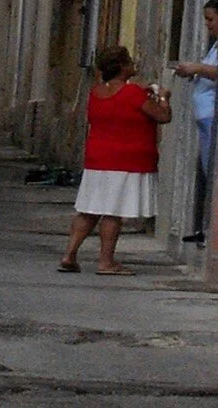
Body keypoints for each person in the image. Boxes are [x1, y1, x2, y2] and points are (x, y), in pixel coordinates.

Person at [60, 44, 171, 275]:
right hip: (126, 160)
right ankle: (106, 261)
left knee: (89, 210)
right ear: (121, 67)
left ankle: (70, 254)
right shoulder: (133, 93)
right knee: (112, 212)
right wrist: (163, 97)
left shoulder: (96, 93)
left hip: (97, 158)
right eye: (129, 61)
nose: (133, 64)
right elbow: (163, 116)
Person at [172, 0, 218, 243]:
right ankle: (204, 227)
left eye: (210, 19)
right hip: (204, 117)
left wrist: (196, 68)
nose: (207, 24)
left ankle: (210, 228)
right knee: (205, 170)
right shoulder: (216, 46)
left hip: (212, 116)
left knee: (211, 171)